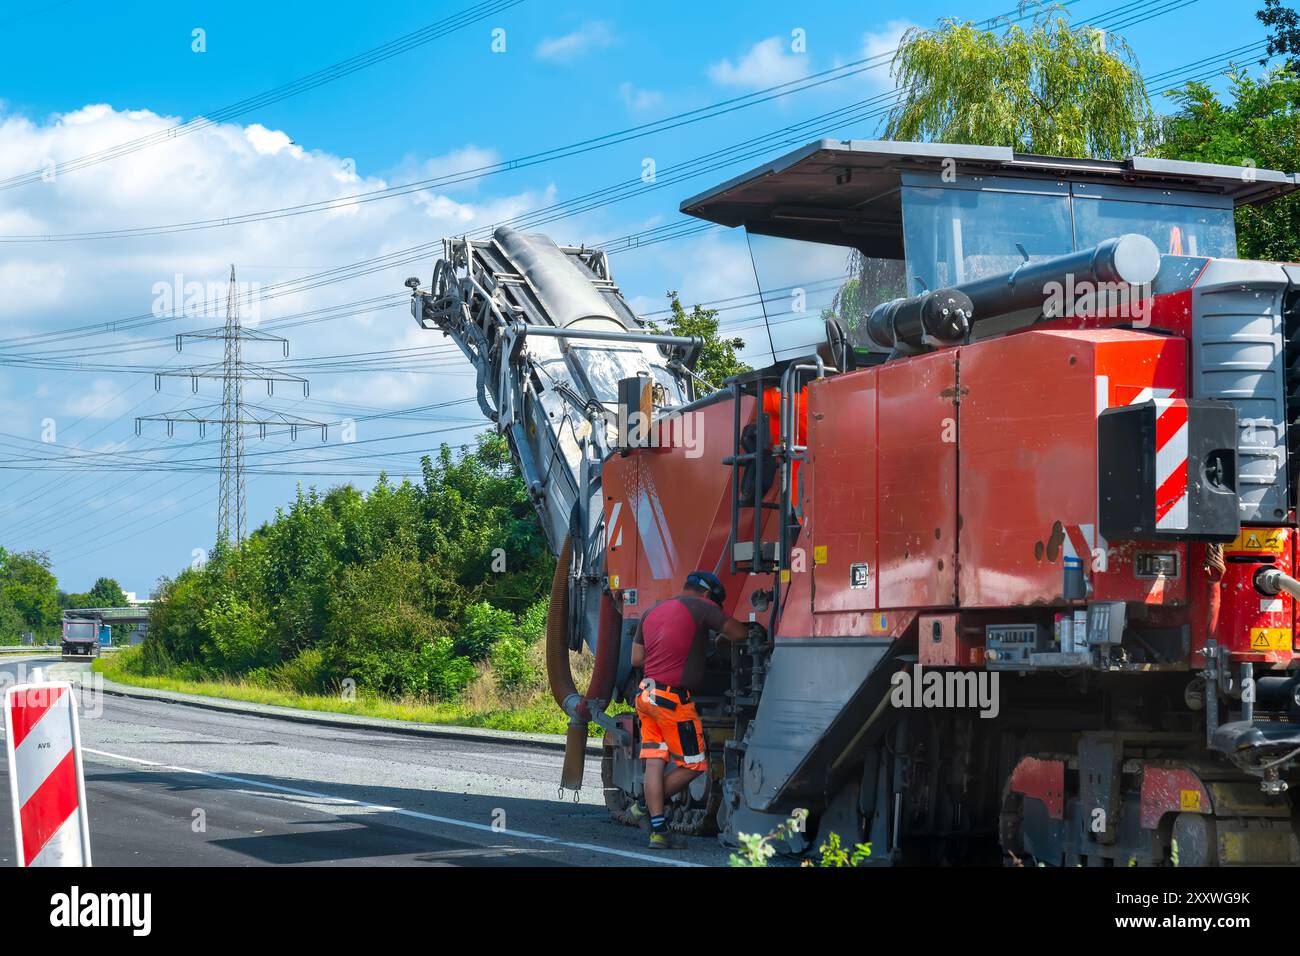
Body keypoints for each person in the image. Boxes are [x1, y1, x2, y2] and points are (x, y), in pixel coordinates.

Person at [629, 570, 758, 849]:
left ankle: (658, 831)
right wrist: (719, 641)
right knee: (694, 764)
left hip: (646, 696)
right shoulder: (703, 607)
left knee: (655, 761)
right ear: (709, 594)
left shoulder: (652, 611)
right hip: (672, 702)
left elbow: (636, 657)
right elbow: (739, 633)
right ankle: (644, 806)